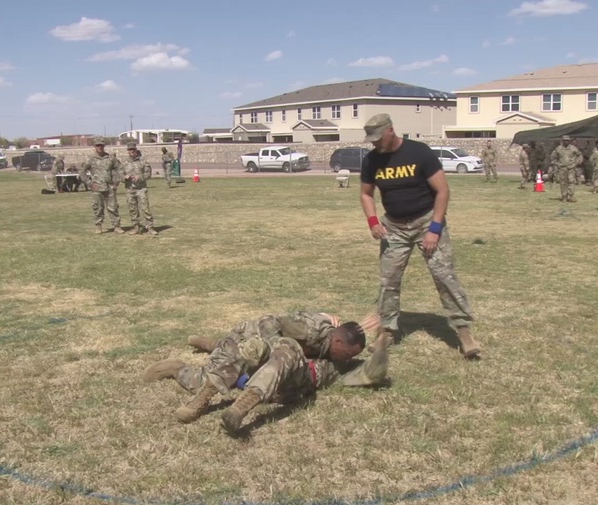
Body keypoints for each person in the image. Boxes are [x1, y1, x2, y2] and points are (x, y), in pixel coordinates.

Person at [143, 312, 390, 434]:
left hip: (284, 381)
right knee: (261, 349)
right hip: (258, 356)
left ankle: (214, 348)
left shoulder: (340, 367)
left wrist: (381, 346)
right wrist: (276, 343)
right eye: (347, 353)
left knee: (281, 350)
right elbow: (272, 324)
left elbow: (374, 372)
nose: (350, 359)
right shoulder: (311, 330)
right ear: (336, 342)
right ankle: (180, 370)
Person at [358, 114, 481, 359]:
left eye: (378, 138)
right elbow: (366, 194)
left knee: (444, 277)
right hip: (394, 227)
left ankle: (464, 332)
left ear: (391, 131)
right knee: (389, 281)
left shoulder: (419, 152)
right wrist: (373, 222)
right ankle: (387, 331)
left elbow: (442, 191)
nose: (375, 144)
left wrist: (434, 229)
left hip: (427, 222)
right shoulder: (372, 160)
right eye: (371, 140)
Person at [79, 142, 123, 234]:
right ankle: (98, 226)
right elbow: (82, 172)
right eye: (98, 145)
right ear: (94, 146)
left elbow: (120, 169)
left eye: (101, 145)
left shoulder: (111, 158)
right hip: (97, 188)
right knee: (98, 208)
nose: (100, 147)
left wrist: (116, 182)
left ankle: (116, 226)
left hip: (110, 187)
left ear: (104, 146)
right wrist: (90, 183)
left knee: (113, 207)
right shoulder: (90, 159)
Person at [122, 142, 156, 235]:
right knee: (132, 209)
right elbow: (119, 175)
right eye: (130, 150)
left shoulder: (143, 161)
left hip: (141, 189)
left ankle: (150, 227)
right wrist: (124, 177)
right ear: (127, 151)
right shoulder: (124, 163)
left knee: (145, 208)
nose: (132, 151)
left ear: (136, 150)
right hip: (130, 189)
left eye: (133, 149)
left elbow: (148, 174)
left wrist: (140, 177)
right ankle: (136, 227)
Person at [549, 135, 583, 203]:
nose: (566, 142)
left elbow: (579, 155)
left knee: (571, 181)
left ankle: (571, 196)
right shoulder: (558, 149)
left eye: (567, 140)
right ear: (562, 141)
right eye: (565, 140)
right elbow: (553, 157)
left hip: (571, 168)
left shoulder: (573, 148)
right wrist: (557, 164)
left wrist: (576, 163)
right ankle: (564, 196)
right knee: (563, 183)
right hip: (562, 168)